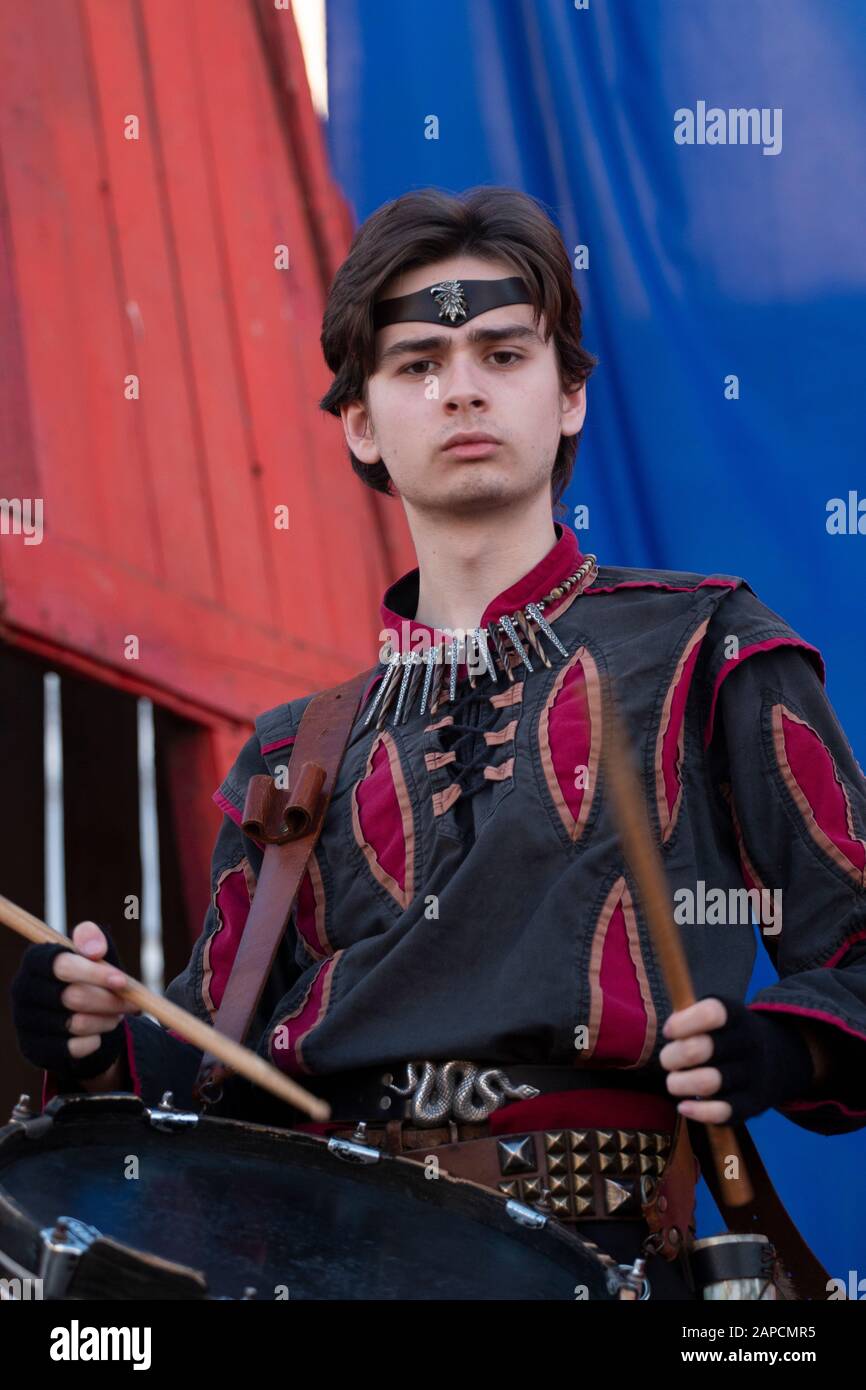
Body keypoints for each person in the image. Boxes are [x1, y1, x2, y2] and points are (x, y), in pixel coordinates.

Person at [12, 186, 866, 1300]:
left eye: (501, 354)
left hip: (600, 1265)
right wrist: (86, 1028)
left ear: (566, 396)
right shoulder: (290, 755)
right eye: (416, 363)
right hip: (325, 1265)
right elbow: (206, 1065)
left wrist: (778, 1047)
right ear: (362, 423)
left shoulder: (710, 646)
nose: (459, 387)